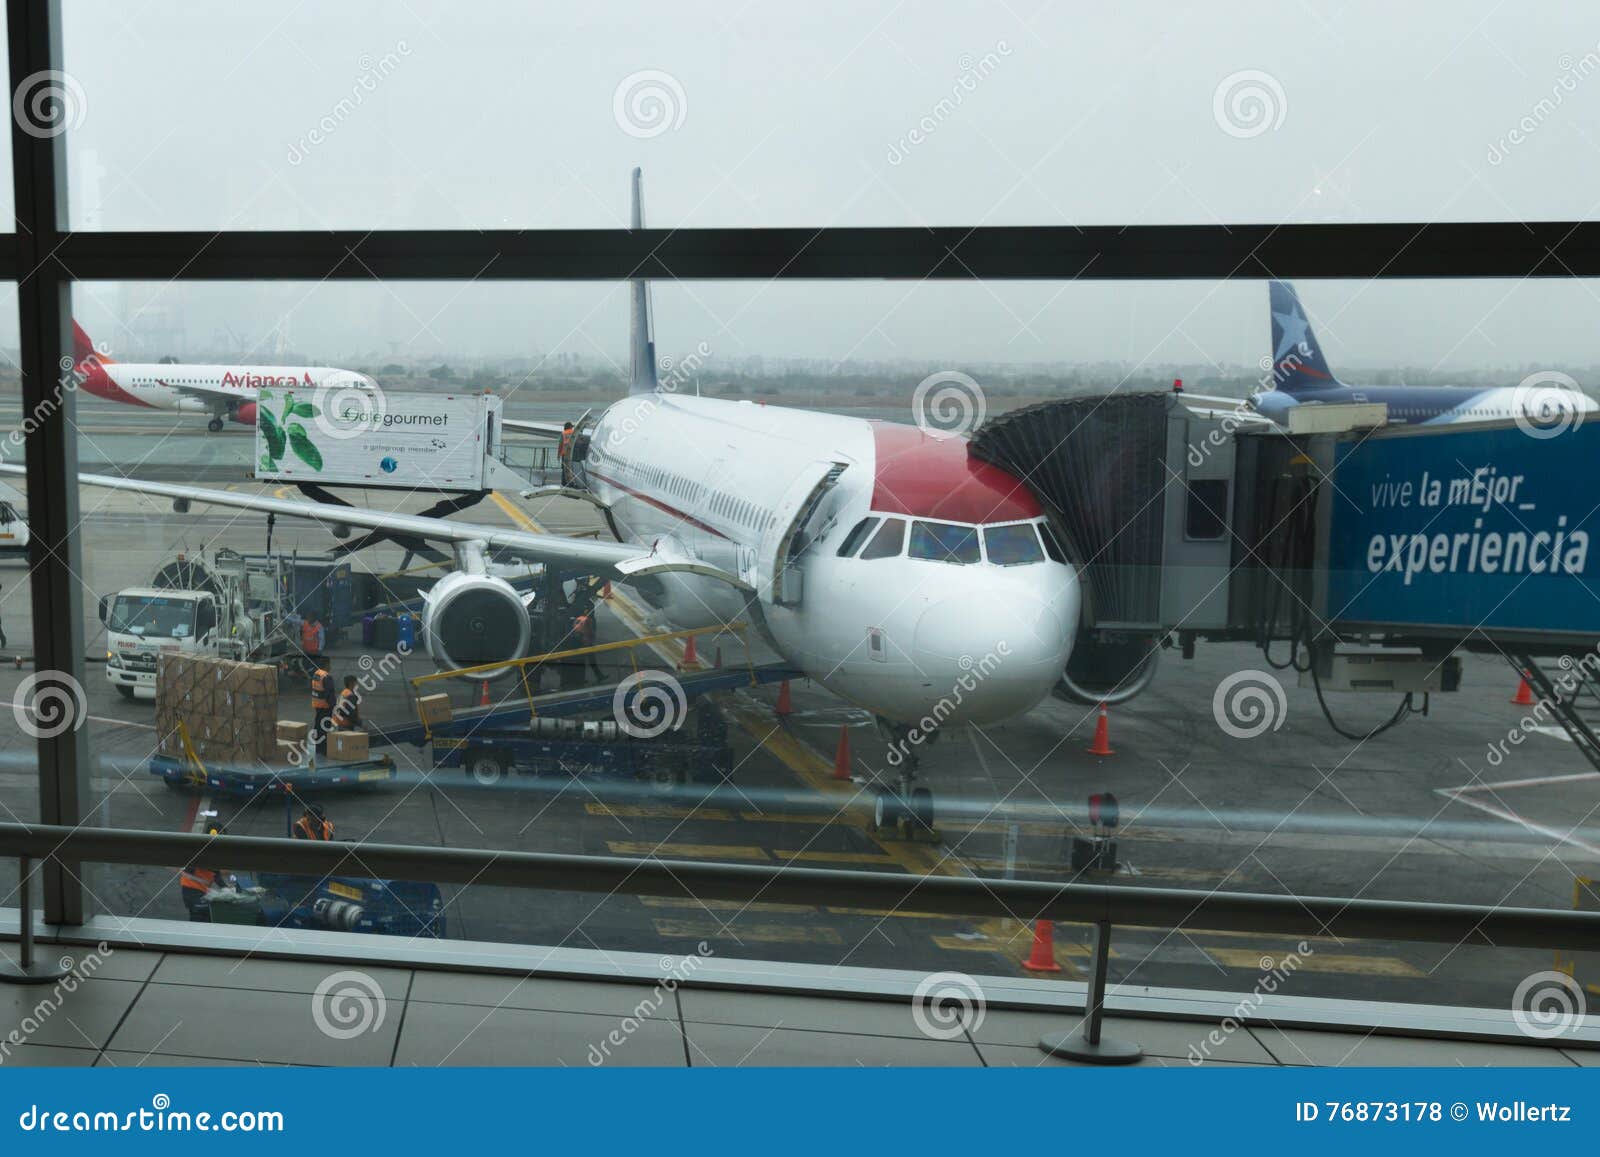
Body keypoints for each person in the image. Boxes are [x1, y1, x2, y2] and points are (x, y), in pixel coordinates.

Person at [309, 660, 334, 756]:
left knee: (318, 726)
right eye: (329, 665)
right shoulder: (326, 677)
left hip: (317, 705)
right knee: (324, 728)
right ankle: (323, 750)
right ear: (326, 665)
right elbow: (329, 693)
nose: (330, 667)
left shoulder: (316, 674)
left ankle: (318, 748)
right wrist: (333, 706)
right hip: (325, 706)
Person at [574, 609, 604, 684]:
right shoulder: (586, 619)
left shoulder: (578, 619)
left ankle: (584, 678)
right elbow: (589, 631)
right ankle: (598, 676)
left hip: (582, 643)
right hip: (586, 643)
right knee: (590, 661)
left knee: (586, 661)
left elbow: (577, 631)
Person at [558, 422, 575, 486]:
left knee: (564, 468)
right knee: (572, 468)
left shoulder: (563, 433)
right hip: (573, 453)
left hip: (565, 453)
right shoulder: (574, 432)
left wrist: (558, 454)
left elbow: (560, 444)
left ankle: (564, 482)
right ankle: (572, 482)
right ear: (570, 427)